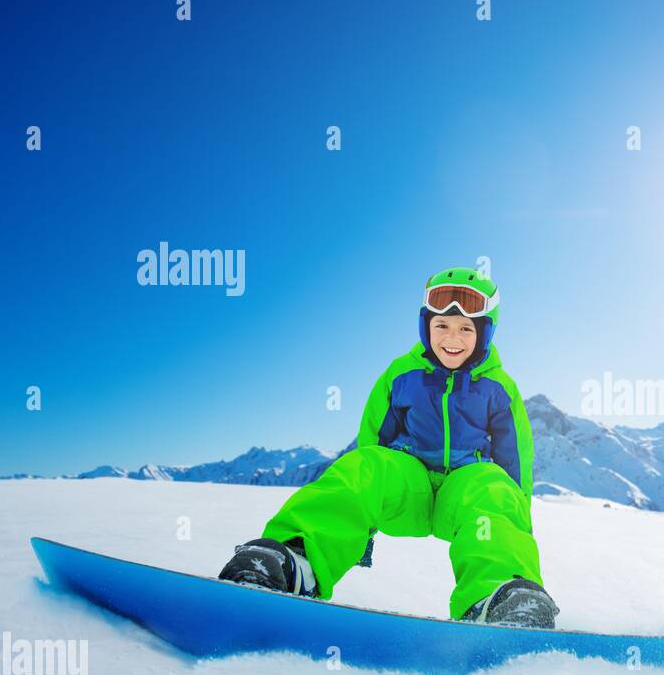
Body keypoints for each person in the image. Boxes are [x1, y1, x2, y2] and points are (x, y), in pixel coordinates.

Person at [217, 266, 559, 628]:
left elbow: (514, 462)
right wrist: (363, 526)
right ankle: (295, 559)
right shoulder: (401, 375)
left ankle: (498, 592)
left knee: (493, 485)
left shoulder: (498, 387)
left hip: (464, 490)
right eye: (441, 326)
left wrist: (517, 525)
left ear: (484, 333)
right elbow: (374, 444)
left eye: (465, 329)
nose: (451, 338)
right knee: (362, 466)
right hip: (407, 484)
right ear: (426, 327)